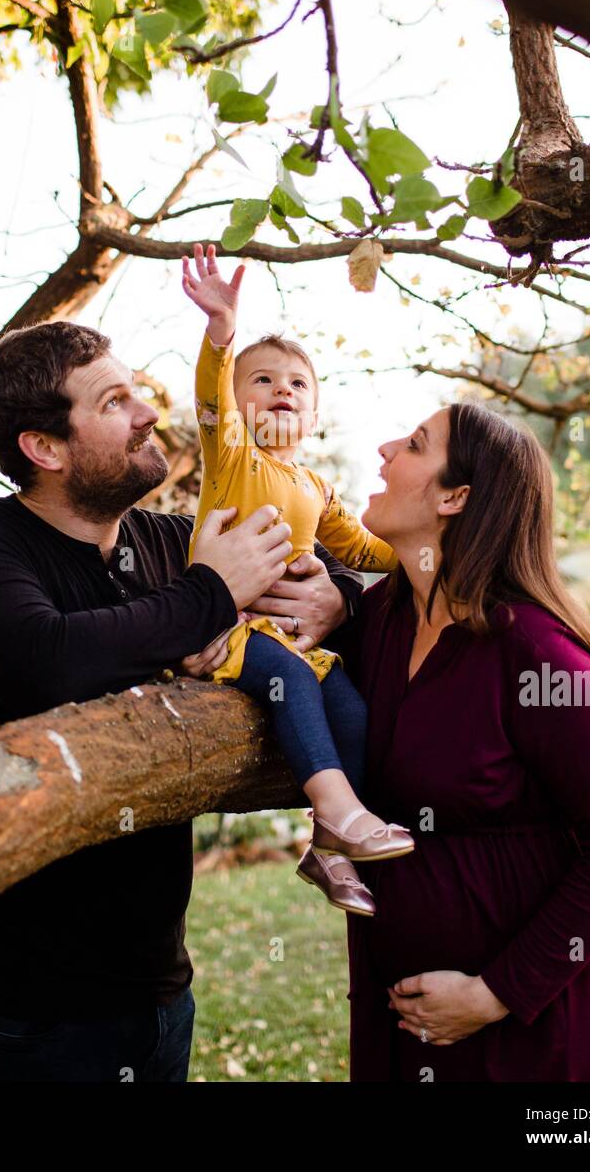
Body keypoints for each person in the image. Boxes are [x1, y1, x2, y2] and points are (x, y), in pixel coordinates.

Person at [0, 318, 364, 1083]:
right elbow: (48, 662)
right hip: (11, 1014)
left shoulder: (173, 541)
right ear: (45, 448)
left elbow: (316, 558)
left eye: (138, 391)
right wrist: (211, 593)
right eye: (115, 402)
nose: (150, 413)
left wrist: (339, 598)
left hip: (159, 996)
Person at [320, 402, 590, 1081]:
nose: (385, 448)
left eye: (415, 443)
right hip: (404, 1023)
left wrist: (495, 994)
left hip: (532, 1037)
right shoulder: (383, 619)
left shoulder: (538, 655)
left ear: (455, 497)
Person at [181, 241, 414, 918]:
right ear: (235, 404)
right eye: (261, 380)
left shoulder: (316, 486)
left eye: (298, 384)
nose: (282, 389)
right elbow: (210, 397)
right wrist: (222, 332)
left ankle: (329, 850)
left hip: (293, 641)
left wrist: (429, 550)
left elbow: (365, 550)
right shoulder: (232, 455)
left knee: (351, 710)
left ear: (313, 417)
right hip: (230, 632)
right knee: (290, 680)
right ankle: (338, 810)